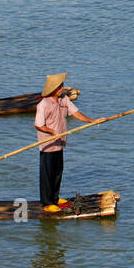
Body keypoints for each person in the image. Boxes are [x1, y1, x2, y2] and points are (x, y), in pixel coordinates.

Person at [34, 73, 101, 212]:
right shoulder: (43, 104)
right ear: (53, 89)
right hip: (48, 145)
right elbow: (38, 125)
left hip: (60, 143)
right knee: (48, 173)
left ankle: (55, 198)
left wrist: (92, 121)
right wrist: (52, 132)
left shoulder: (63, 99)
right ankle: (47, 203)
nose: (63, 88)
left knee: (58, 171)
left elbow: (76, 113)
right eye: (60, 86)